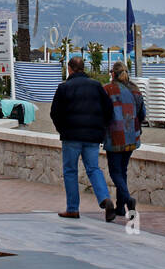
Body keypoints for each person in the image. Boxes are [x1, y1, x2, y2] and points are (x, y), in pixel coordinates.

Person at [50, 55, 117, 221]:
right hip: (93, 137)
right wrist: (101, 129)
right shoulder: (96, 86)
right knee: (93, 168)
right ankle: (104, 198)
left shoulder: (64, 88)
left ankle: (73, 209)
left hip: (71, 137)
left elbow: (54, 113)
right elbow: (109, 110)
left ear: (69, 68)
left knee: (70, 171)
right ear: (84, 68)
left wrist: (62, 130)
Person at [103, 61, 146, 219]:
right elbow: (142, 113)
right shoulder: (135, 89)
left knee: (115, 172)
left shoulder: (108, 89)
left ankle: (128, 200)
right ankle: (120, 207)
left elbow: (103, 112)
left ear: (113, 74)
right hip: (132, 136)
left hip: (114, 136)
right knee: (123, 170)